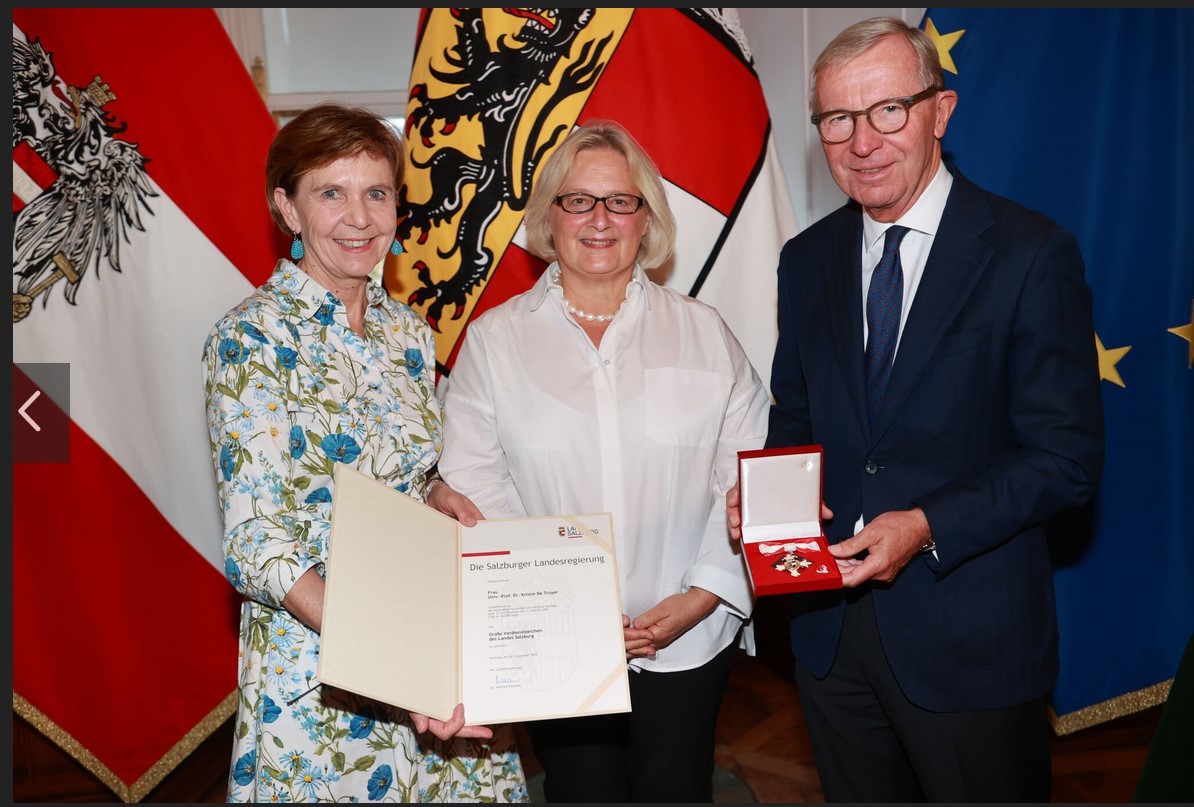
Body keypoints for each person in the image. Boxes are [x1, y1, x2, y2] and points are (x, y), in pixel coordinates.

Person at [725, 16, 1104, 803]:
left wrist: (925, 522)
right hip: (829, 640)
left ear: (941, 109)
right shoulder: (806, 260)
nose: (861, 142)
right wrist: (766, 498)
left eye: (887, 110)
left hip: (970, 639)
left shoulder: (1031, 254)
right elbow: (795, 418)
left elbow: (1064, 460)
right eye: (837, 118)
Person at [429, 120, 769, 802]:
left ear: (646, 219)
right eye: (577, 200)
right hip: (555, 639)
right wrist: (569, 610)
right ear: (548, 218)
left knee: (676, 789)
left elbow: (749, 478)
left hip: (689, 633)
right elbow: (475, 487)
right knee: (582, 791)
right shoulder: (495, 342)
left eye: (620, 201)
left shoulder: (705, 333)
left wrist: (700, 596)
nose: (599, 220)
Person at [201, 102, 529, 803]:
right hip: (319, 665)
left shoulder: (408, 333)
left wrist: (437, 488)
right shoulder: (248, 340)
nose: (359, 216)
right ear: (286, 208)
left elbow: (405, 460)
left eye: (376, 193)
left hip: (421, 623)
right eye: (331, 193)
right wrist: (394, 652)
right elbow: (256, 542)